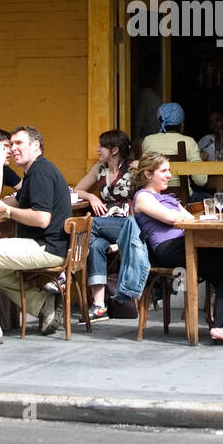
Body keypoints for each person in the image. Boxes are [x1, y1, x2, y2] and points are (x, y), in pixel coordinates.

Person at [0, 126, 73, 345]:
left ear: (36, 146)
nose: (13, 149)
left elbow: (41, 219)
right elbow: (20, 199)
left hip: (46, 248)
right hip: (51, 246)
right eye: (11, 144)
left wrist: (6, 211)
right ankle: (42, 304)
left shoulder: (40, 172)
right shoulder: (35, 171)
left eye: (19, 143)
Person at [126, 151, 223, 345]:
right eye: (164, 171)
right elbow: (172, 218)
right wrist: (181, 217)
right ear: (148, 174)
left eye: (169, 170)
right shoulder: (143, 197)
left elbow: (190, 219)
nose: (169, 174)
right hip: (168, 249)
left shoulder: (167, 198)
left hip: (186, 243)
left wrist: (183, 217)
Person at [74, 129, 134, 320]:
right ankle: (99, 306)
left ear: (115, 150)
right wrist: (91, 196)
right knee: (95, 245)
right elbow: (77, 190)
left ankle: (67, 272)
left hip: (127, 223)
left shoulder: (133, 168)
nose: (98, 149)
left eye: (102, 146)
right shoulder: (100, 168)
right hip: (104, 225)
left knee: (87, 225)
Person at [140, 103, 207, 191]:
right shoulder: (189, 142)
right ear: (181, 124)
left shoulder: (148, 140)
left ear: (160, 122)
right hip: (182, 199)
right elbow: (200, 181)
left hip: (154, 196)